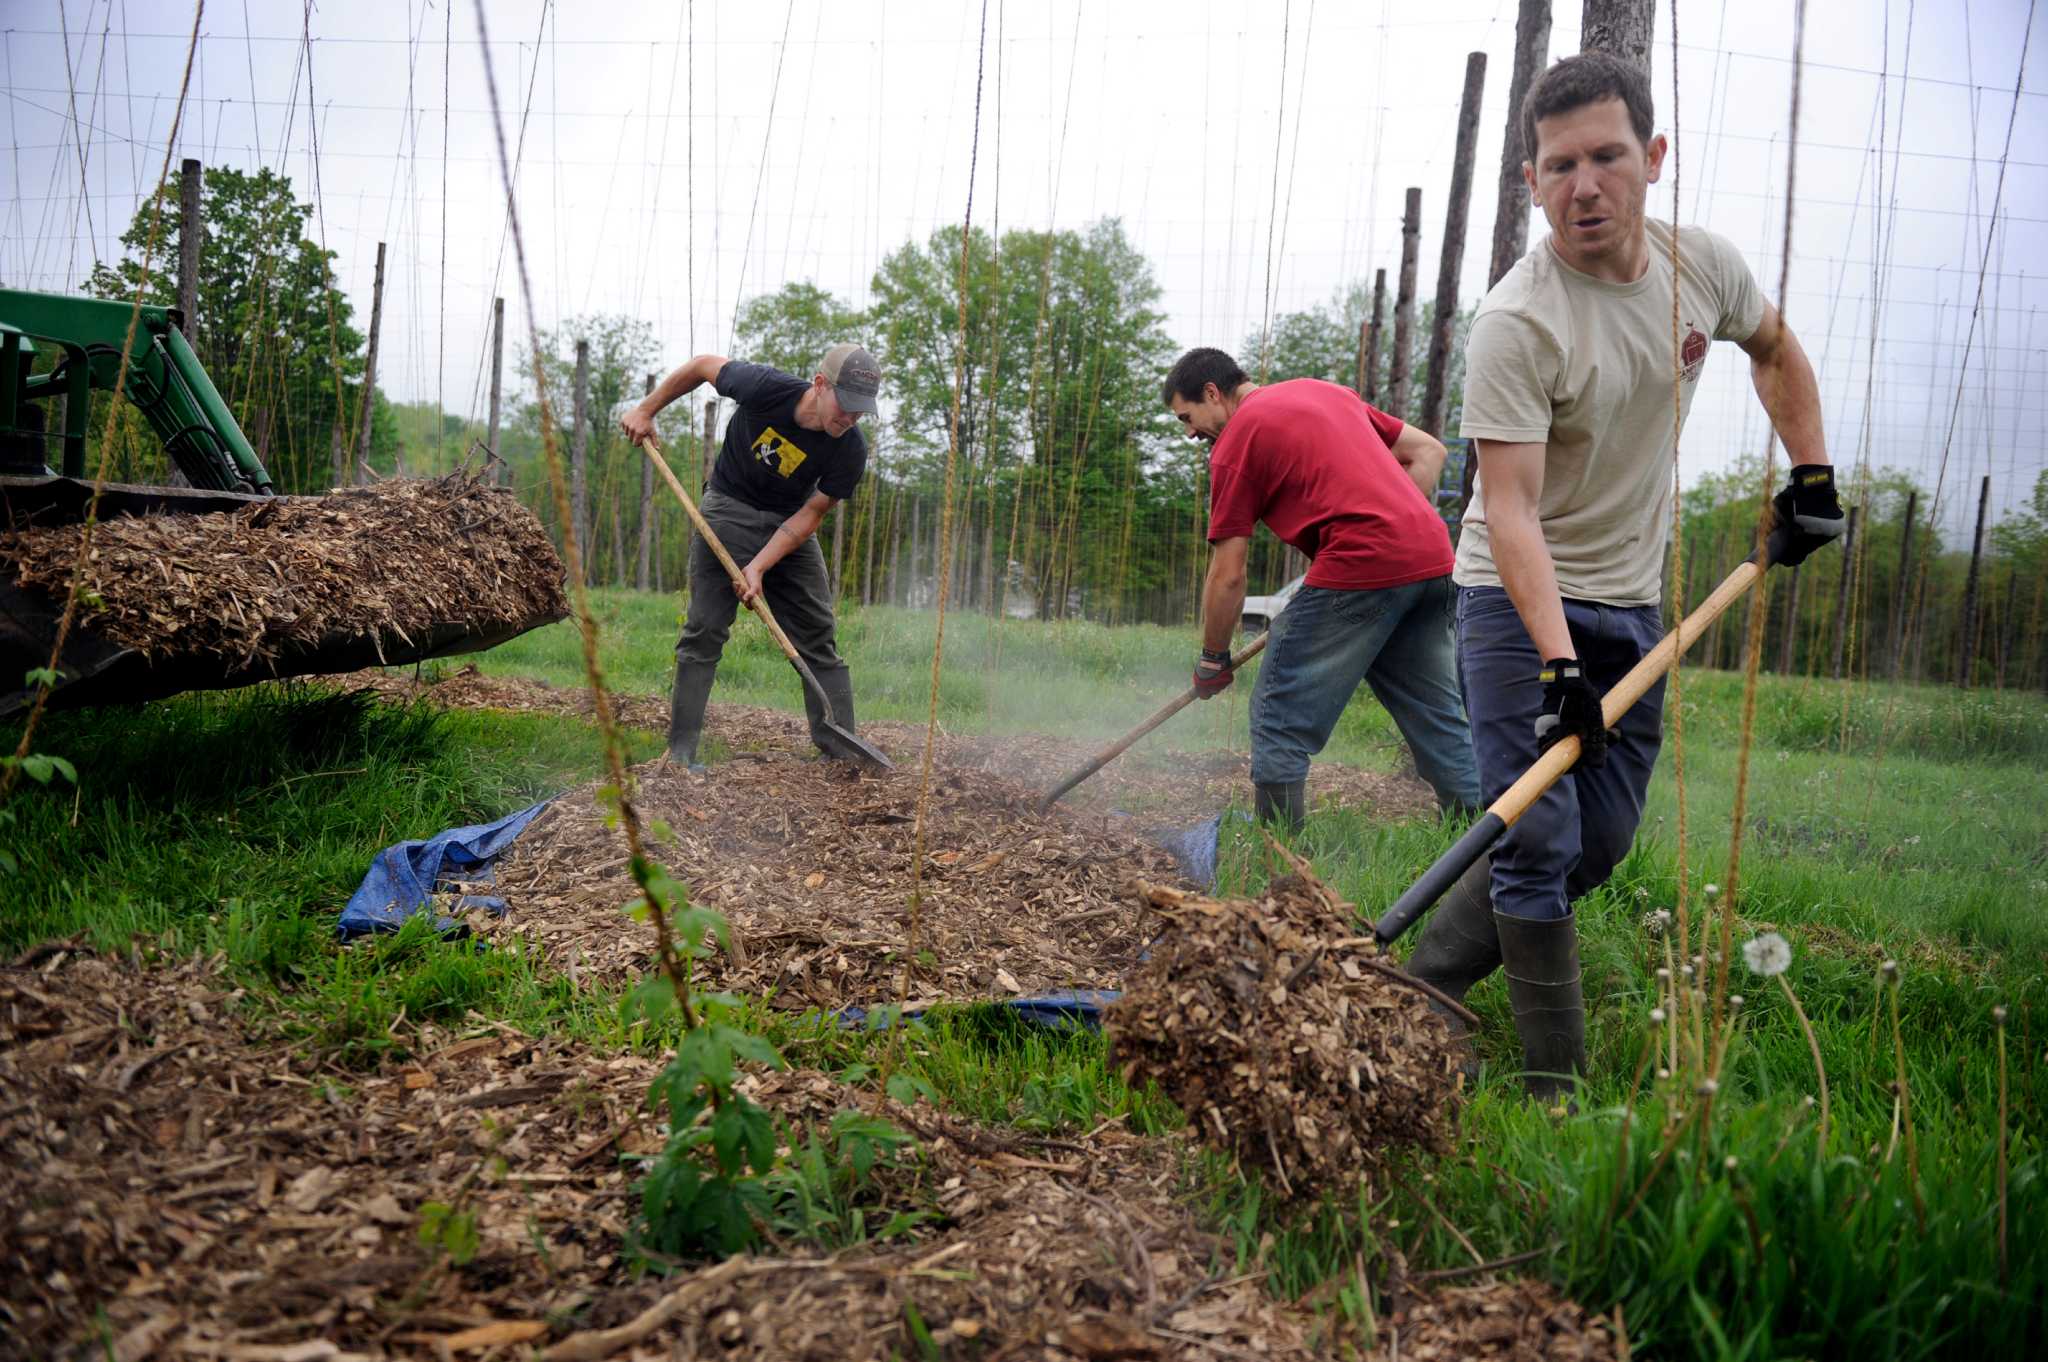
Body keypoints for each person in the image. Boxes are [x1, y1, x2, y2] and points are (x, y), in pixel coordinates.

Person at [1402, 52, 1845, 1104]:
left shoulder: (1703, 269)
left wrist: (1812, 473)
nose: (1584, 186)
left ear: (1653, 157)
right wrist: (1558, 668)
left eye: (1606, 157)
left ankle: (1423, 983)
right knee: (1537, 833)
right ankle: (1553, 1090)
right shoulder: (1518, 321)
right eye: (1559, 167)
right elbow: (1508, 510)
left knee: (1595, 842)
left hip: (1633, 599)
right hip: (1515, 602)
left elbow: (1772, 347)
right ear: (1531, 182)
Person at [1162, 347, 1483, 830]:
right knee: (1437, 716)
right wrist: (1392, 528)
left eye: (1187, 417)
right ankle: (1478, 845)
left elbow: (1228, 574)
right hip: (1434, 560)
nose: (1190, 433)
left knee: (1278, 711)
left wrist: (1212, 658)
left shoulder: (1235, 443)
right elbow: (1429, 451)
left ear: (1212, 392)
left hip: (1362, 565)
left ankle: (1277, 845)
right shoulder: (1325, 393)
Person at [620, 344, 881, 768]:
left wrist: (759, 566)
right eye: (846, 404)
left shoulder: (850, 449)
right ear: (820, 384)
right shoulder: (764, 387)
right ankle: (682, 753)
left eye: (860, 411)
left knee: (817, 635)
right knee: (704, 629)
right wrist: (646, 410)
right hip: (728, 508)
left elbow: (812, 513)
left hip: (789, 524)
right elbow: (702, 365)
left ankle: (841, 751)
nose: (850, 417)